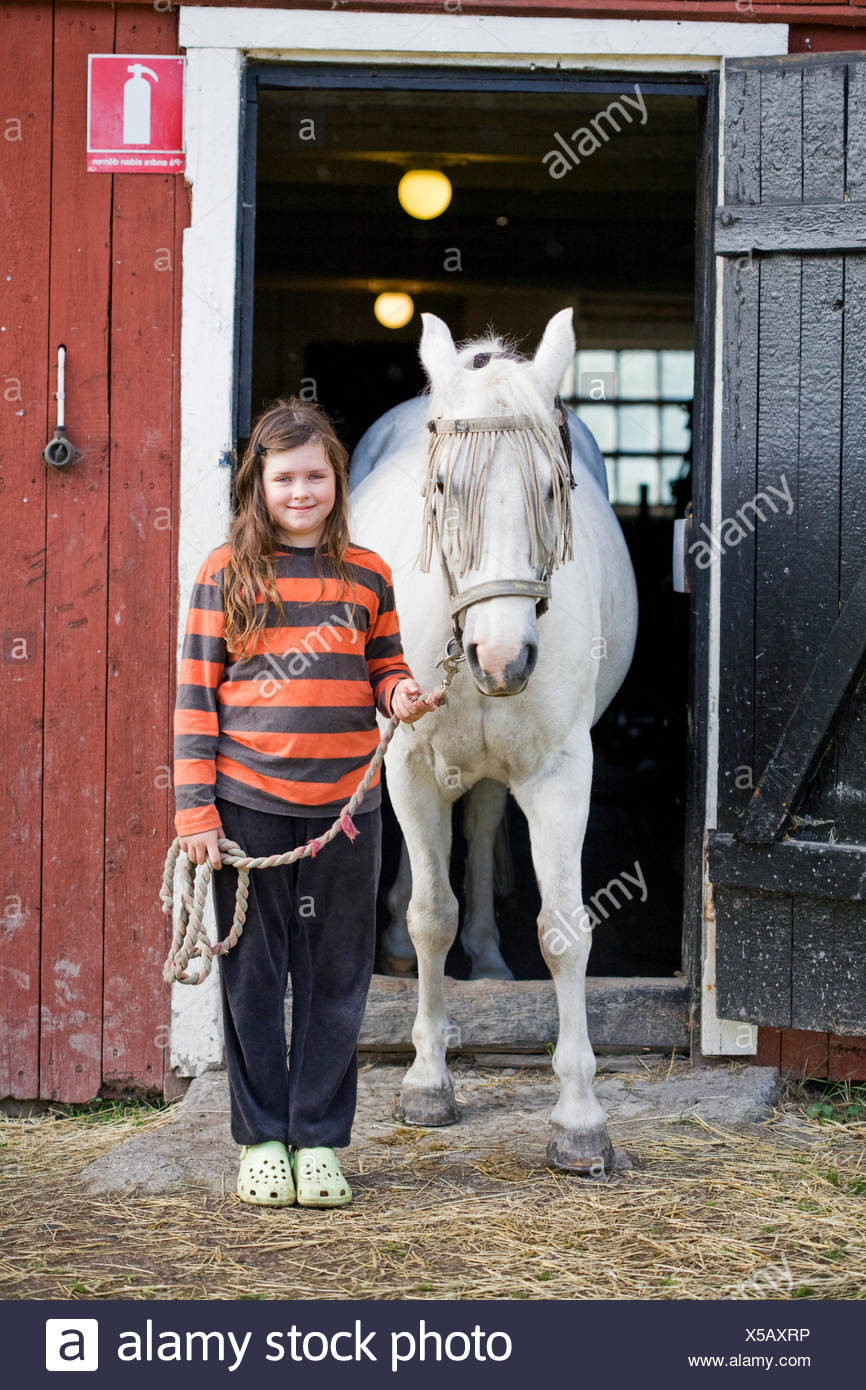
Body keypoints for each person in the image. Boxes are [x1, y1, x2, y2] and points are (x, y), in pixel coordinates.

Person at [173, 396, 443, 1209]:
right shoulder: (226, 573)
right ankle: (261, 1138)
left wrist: (399, 696)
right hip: (249, 807)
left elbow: (384, 666)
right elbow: (195, 698)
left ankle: (319, 1142)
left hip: (346, 814)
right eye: (284, 477)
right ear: (259, 483)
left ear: (337, 480)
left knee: (337, 981)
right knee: (254, 981)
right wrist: (196, 812)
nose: (301, 491)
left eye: (315, 476)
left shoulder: (369, 574)